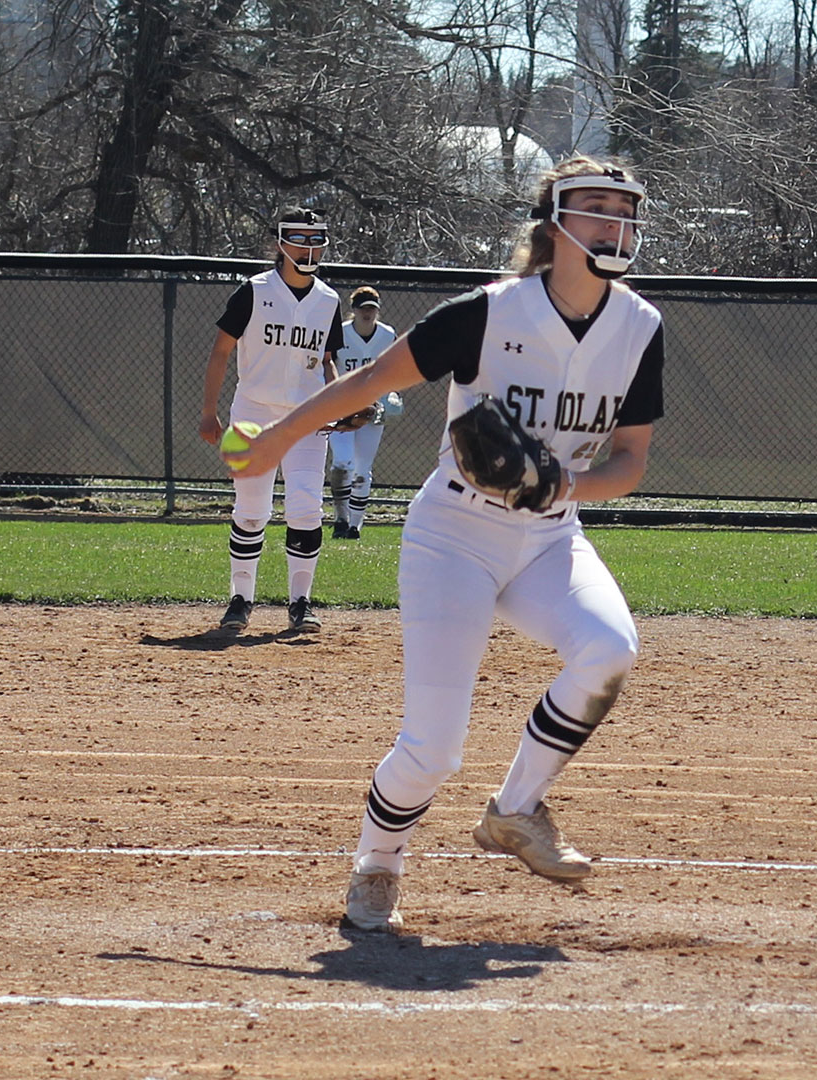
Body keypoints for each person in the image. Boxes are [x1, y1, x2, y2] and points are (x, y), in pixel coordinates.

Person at [220, 157, 665, 932]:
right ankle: (377, 867)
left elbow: (628, 463)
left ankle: (515, 810)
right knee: (433, 749)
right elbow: (368, 383)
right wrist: (278, 439)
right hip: (453, 535)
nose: (612, 222)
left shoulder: (640, 327)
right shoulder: (488, 314)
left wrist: (563, 486)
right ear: (554, 222)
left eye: (623, 209)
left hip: (551, 536)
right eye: (593, 206)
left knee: (610, 648)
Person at [197, 206, 347, 634]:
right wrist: (209, 412)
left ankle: (301, 603)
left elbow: (327, 362)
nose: (308, 247)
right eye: (299, 238)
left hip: (305, 417)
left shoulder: (328, 299)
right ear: (280, 242)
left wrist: (335, 402)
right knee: (250, 510)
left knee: (305, 507)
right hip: (253, 415)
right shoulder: (253, 290)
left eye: (316, 239)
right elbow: (221, 351)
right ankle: (240, 599)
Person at [326, 286, 401, 539]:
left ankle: (356, 525)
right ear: (353, 310)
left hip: (372, 409)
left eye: (372, 308)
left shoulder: (387, 335)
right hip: (342, 407)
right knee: (341, 462)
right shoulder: (340, 333)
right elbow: (329, 365)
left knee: (362, 468)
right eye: (363, 308)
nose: (367, 312)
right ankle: (340, 518)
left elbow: (394, 370)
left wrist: (392, 394)